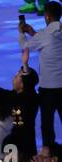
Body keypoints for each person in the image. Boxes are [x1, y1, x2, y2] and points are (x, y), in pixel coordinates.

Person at [20, 2, 62, 147]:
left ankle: (47, 154)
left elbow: (25, 46)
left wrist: (22, 33)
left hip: (49, 88)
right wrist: (33, 33)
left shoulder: (44, 35)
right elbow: (48, 42)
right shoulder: (47, 34)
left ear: (47, 16)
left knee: (47, 125)